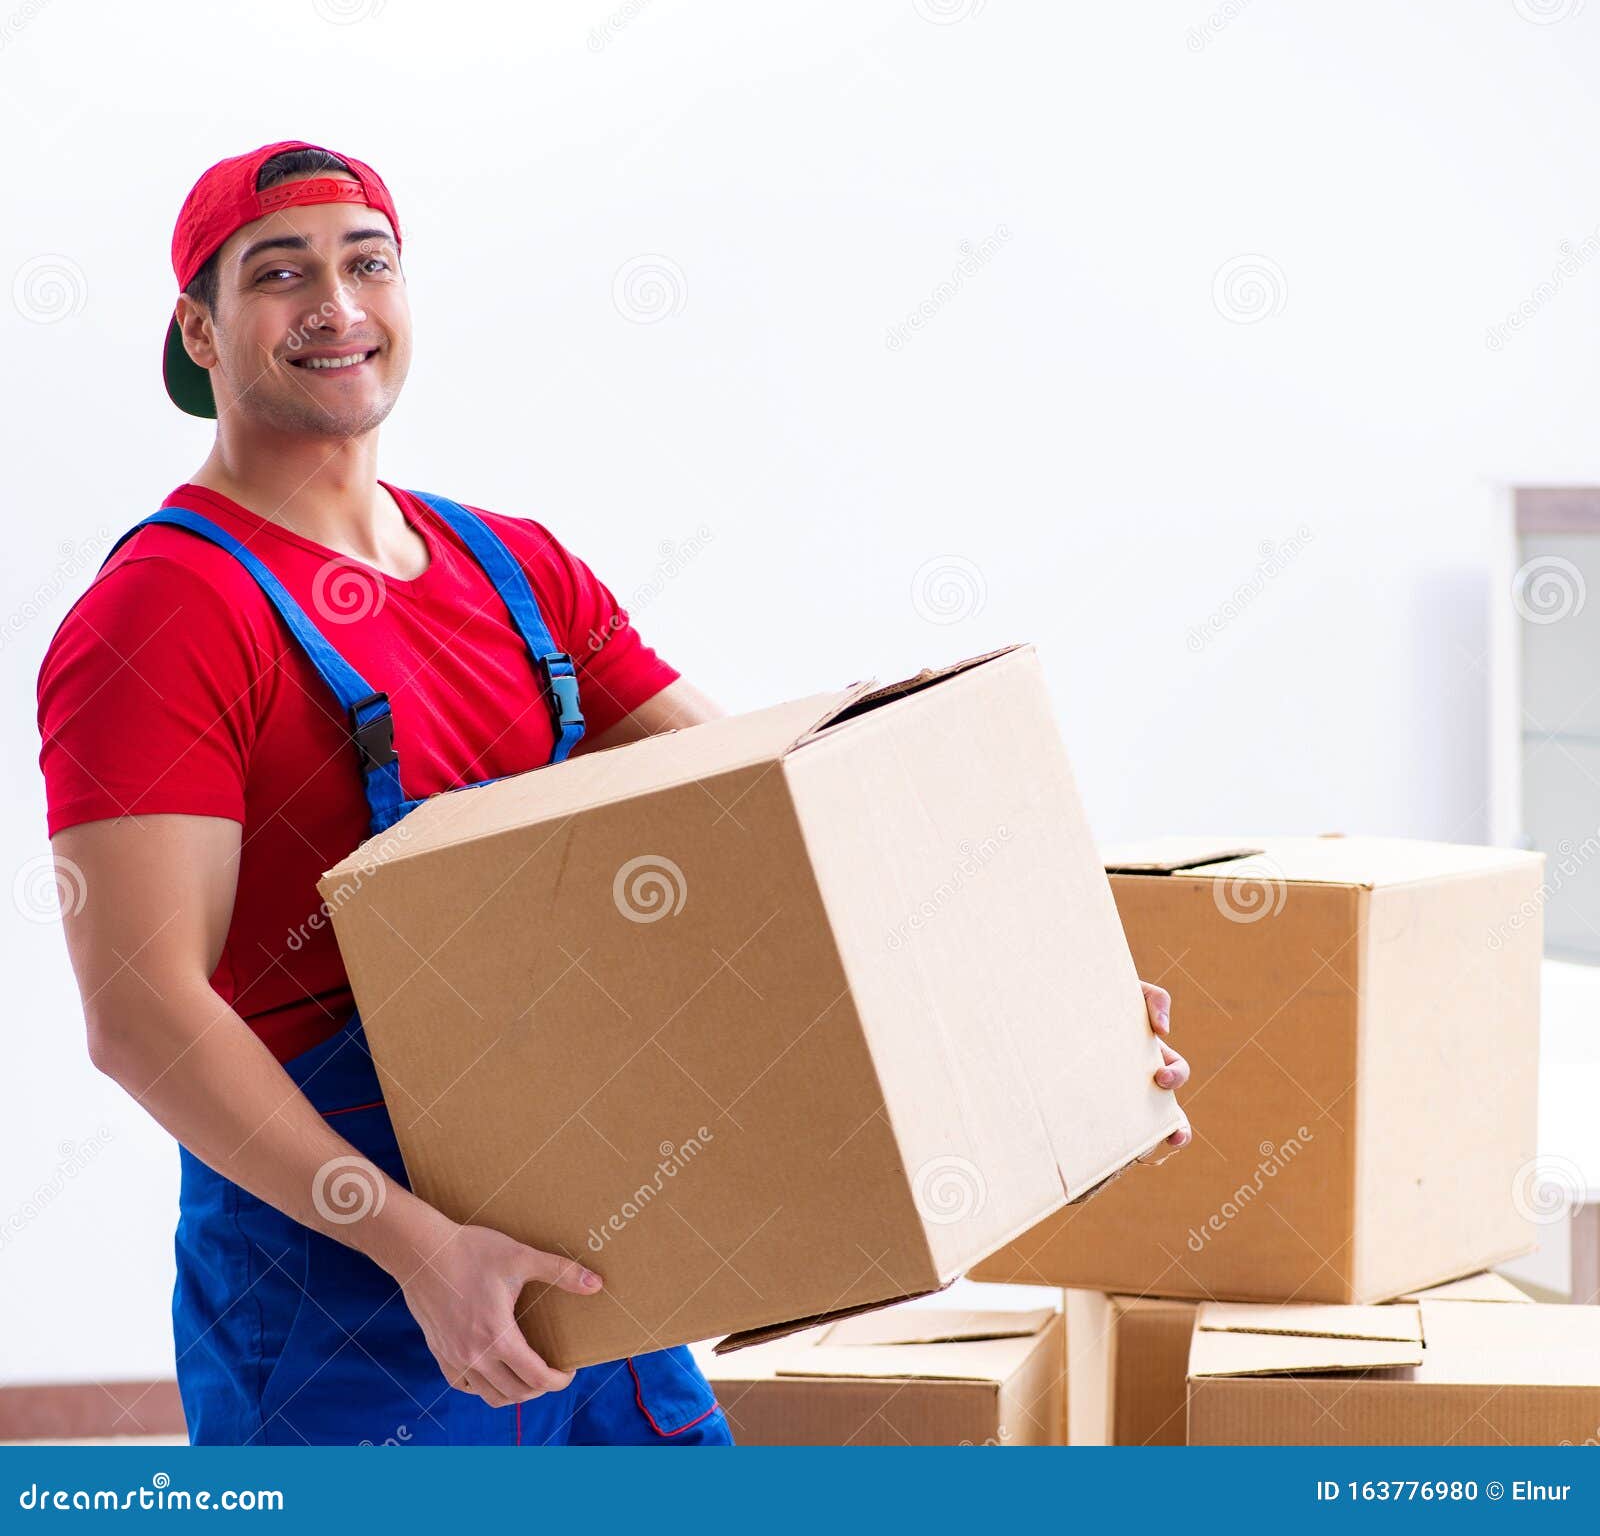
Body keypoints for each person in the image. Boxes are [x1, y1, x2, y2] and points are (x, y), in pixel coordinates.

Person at [35, 140, 1192, 1447]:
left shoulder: (515, 573)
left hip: (594, 1266)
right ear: (199, 326)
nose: (337, 305)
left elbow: (792, 837)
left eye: (369, 263)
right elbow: (140, 1011)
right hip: (339, 1303)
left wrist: (1047, 1015)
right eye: (278, 273)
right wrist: (419, 1249)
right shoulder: (165, 614)